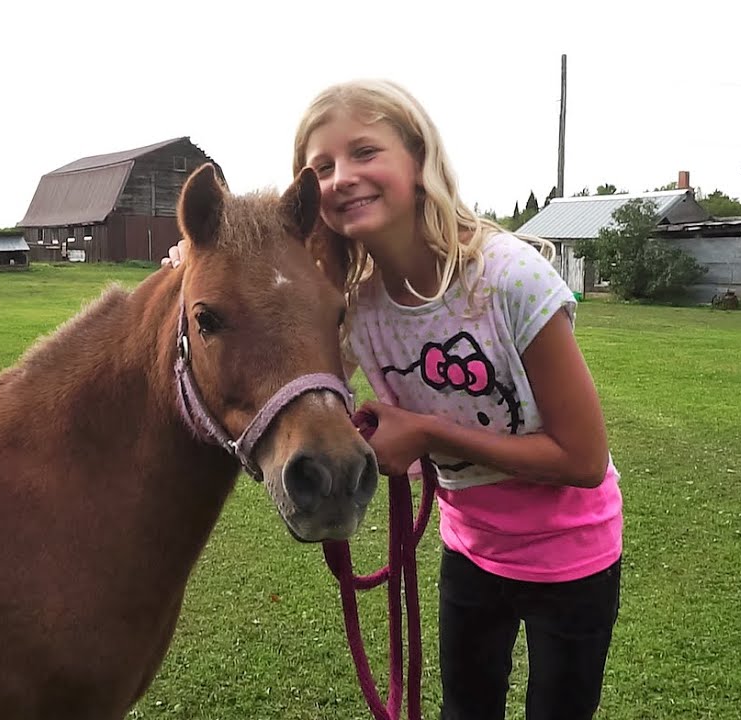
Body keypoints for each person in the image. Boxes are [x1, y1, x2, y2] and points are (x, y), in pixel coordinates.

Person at [164, 79, 623, 720]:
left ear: (417, 158)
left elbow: (583, 458)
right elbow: (287, 360)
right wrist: (211, 265)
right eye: (322, 167)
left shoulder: (508, 276)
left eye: (364, 152)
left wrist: (427, 433)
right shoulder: (359, 310)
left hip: (571, 558)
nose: (343, 176)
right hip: (472, 552)